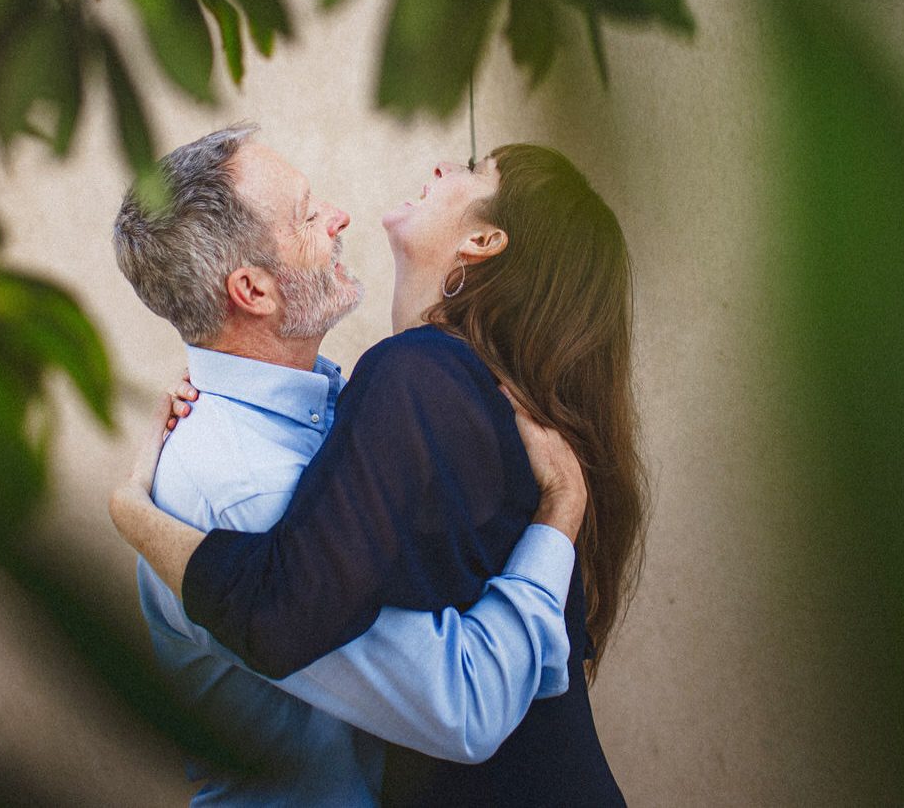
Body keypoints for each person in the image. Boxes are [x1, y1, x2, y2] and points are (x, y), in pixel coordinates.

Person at [111, 130, 644, 806]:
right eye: (308, 214)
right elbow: (466, 703)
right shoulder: (244, 481)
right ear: (252, 289)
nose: (338, 217)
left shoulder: (396, 398)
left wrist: (130, 512)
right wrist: (560, 513)